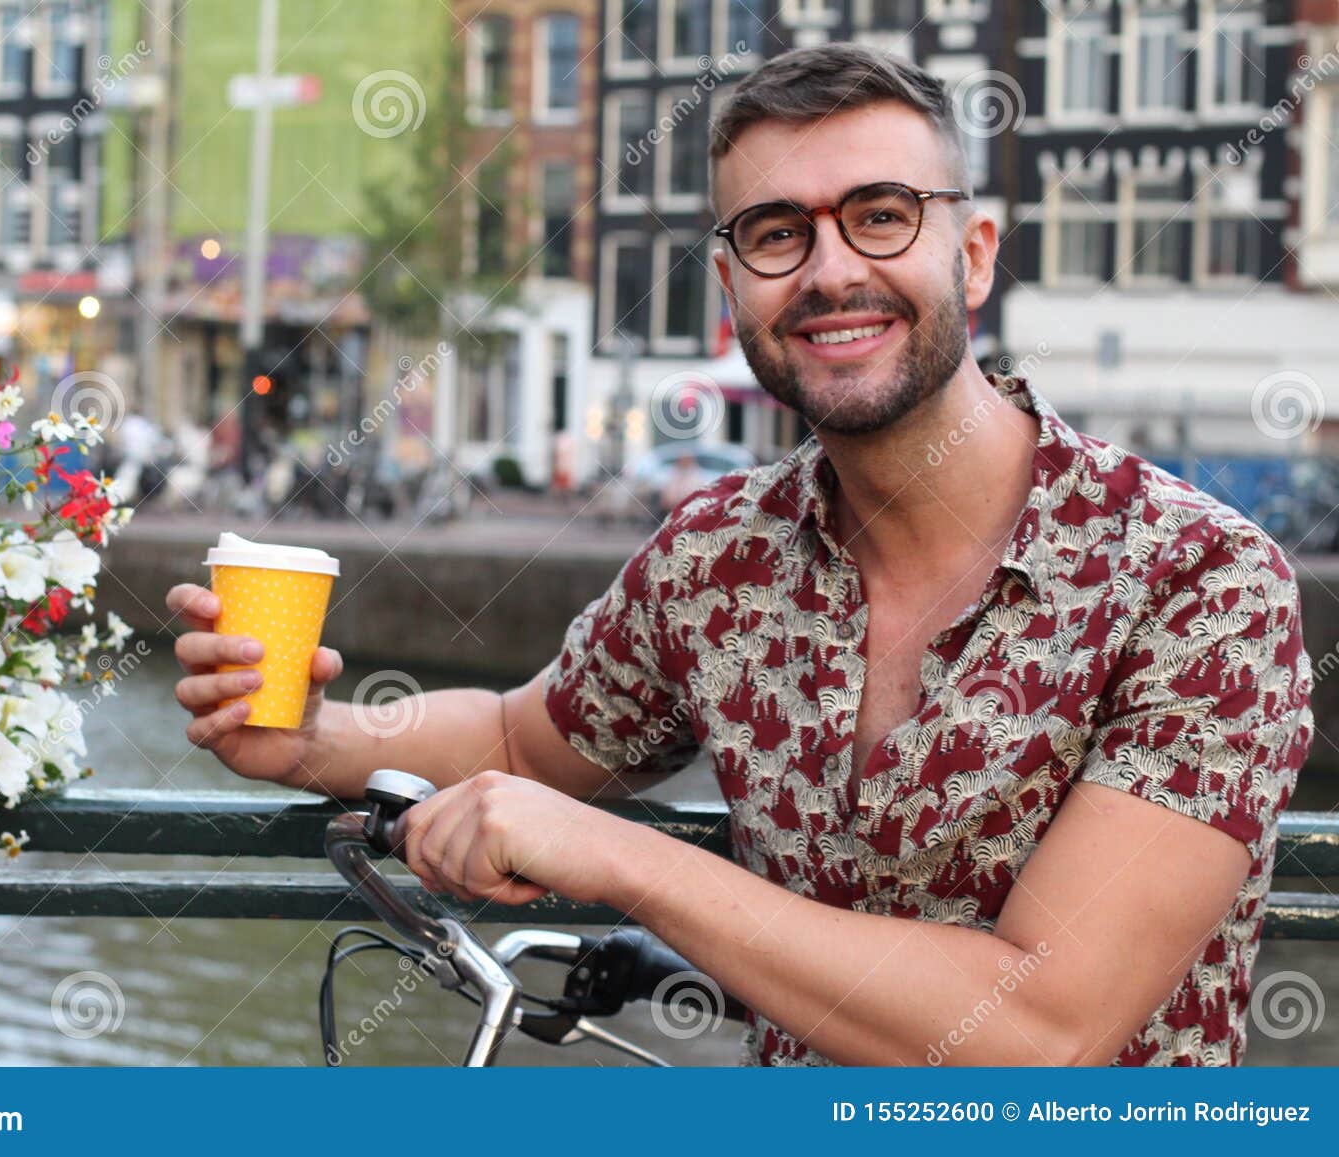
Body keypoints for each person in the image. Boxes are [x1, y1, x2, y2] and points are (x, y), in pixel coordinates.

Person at [166, 44, 1312, 1067]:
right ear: (732, 287)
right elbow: (524, 739)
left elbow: (1038, 1033)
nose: (828, 270)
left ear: (972, 256)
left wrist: (624, 860)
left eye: (880, 215)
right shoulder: (716, 559)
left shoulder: (1199, 584)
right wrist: (317, 738)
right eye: (775, 233)